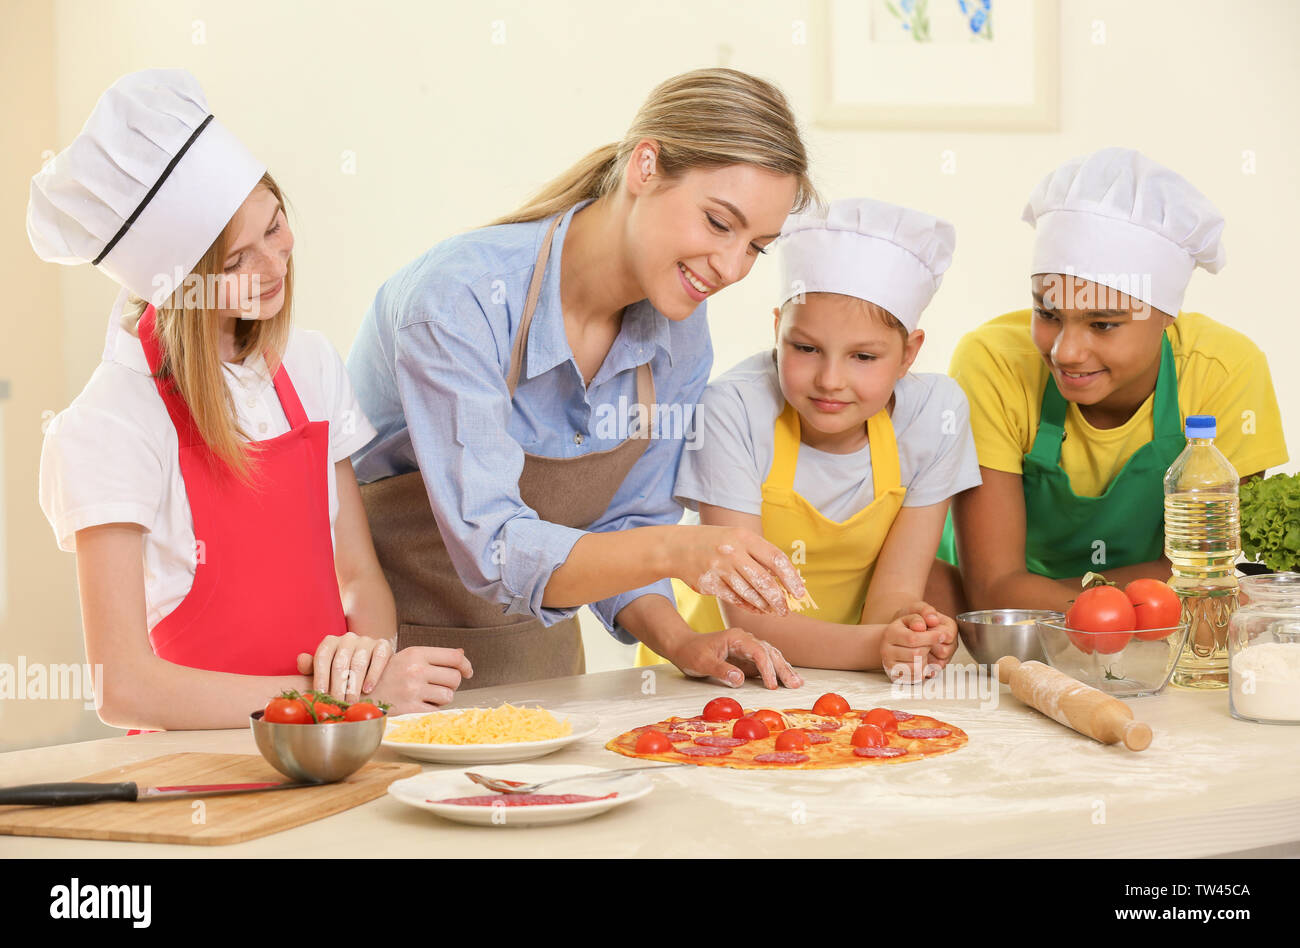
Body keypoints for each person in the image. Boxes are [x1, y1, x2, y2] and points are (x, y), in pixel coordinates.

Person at [348, 68, 818, 690]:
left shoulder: (678, 334)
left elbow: (623, 524)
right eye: (717, 223)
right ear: (645, 167)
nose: (732, 268)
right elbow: (492, 547)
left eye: (758, 246)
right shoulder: (461, 300)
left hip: (542, 671)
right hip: (387, 664)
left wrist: (684, 642)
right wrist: (681, 552)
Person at [32, 69, 471, 730]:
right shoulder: (109, 424)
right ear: (183, 287)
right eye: (236, 261)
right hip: (197, 775)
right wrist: (342, 703)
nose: (275, 265)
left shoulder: (310, 367)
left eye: (275, 225)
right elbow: (123, 687)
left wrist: (366, 659)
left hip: (329, 754)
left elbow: (358, 579)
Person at [636, 198, 980, 680]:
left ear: (908, 355)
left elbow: (894, 592)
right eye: (806, 348)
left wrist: (908, 629)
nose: (830, 380)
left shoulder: (933, 416)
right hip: (720, 675)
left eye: (864, 356)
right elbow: (750, 618)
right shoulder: (732, 411)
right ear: (778, 330)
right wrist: (877, 647)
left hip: (843, 676)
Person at [939, 147, 1289, 615]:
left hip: (1144, 632)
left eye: (1102, 324)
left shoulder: (1224, 371)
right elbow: (994, 592)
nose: (1065, 352)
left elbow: (1207, 569)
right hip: (1001, 634)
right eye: (1047, 313)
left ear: (1166, 314)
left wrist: (1052, 598)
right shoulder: (991, 362)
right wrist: (1156, 589)